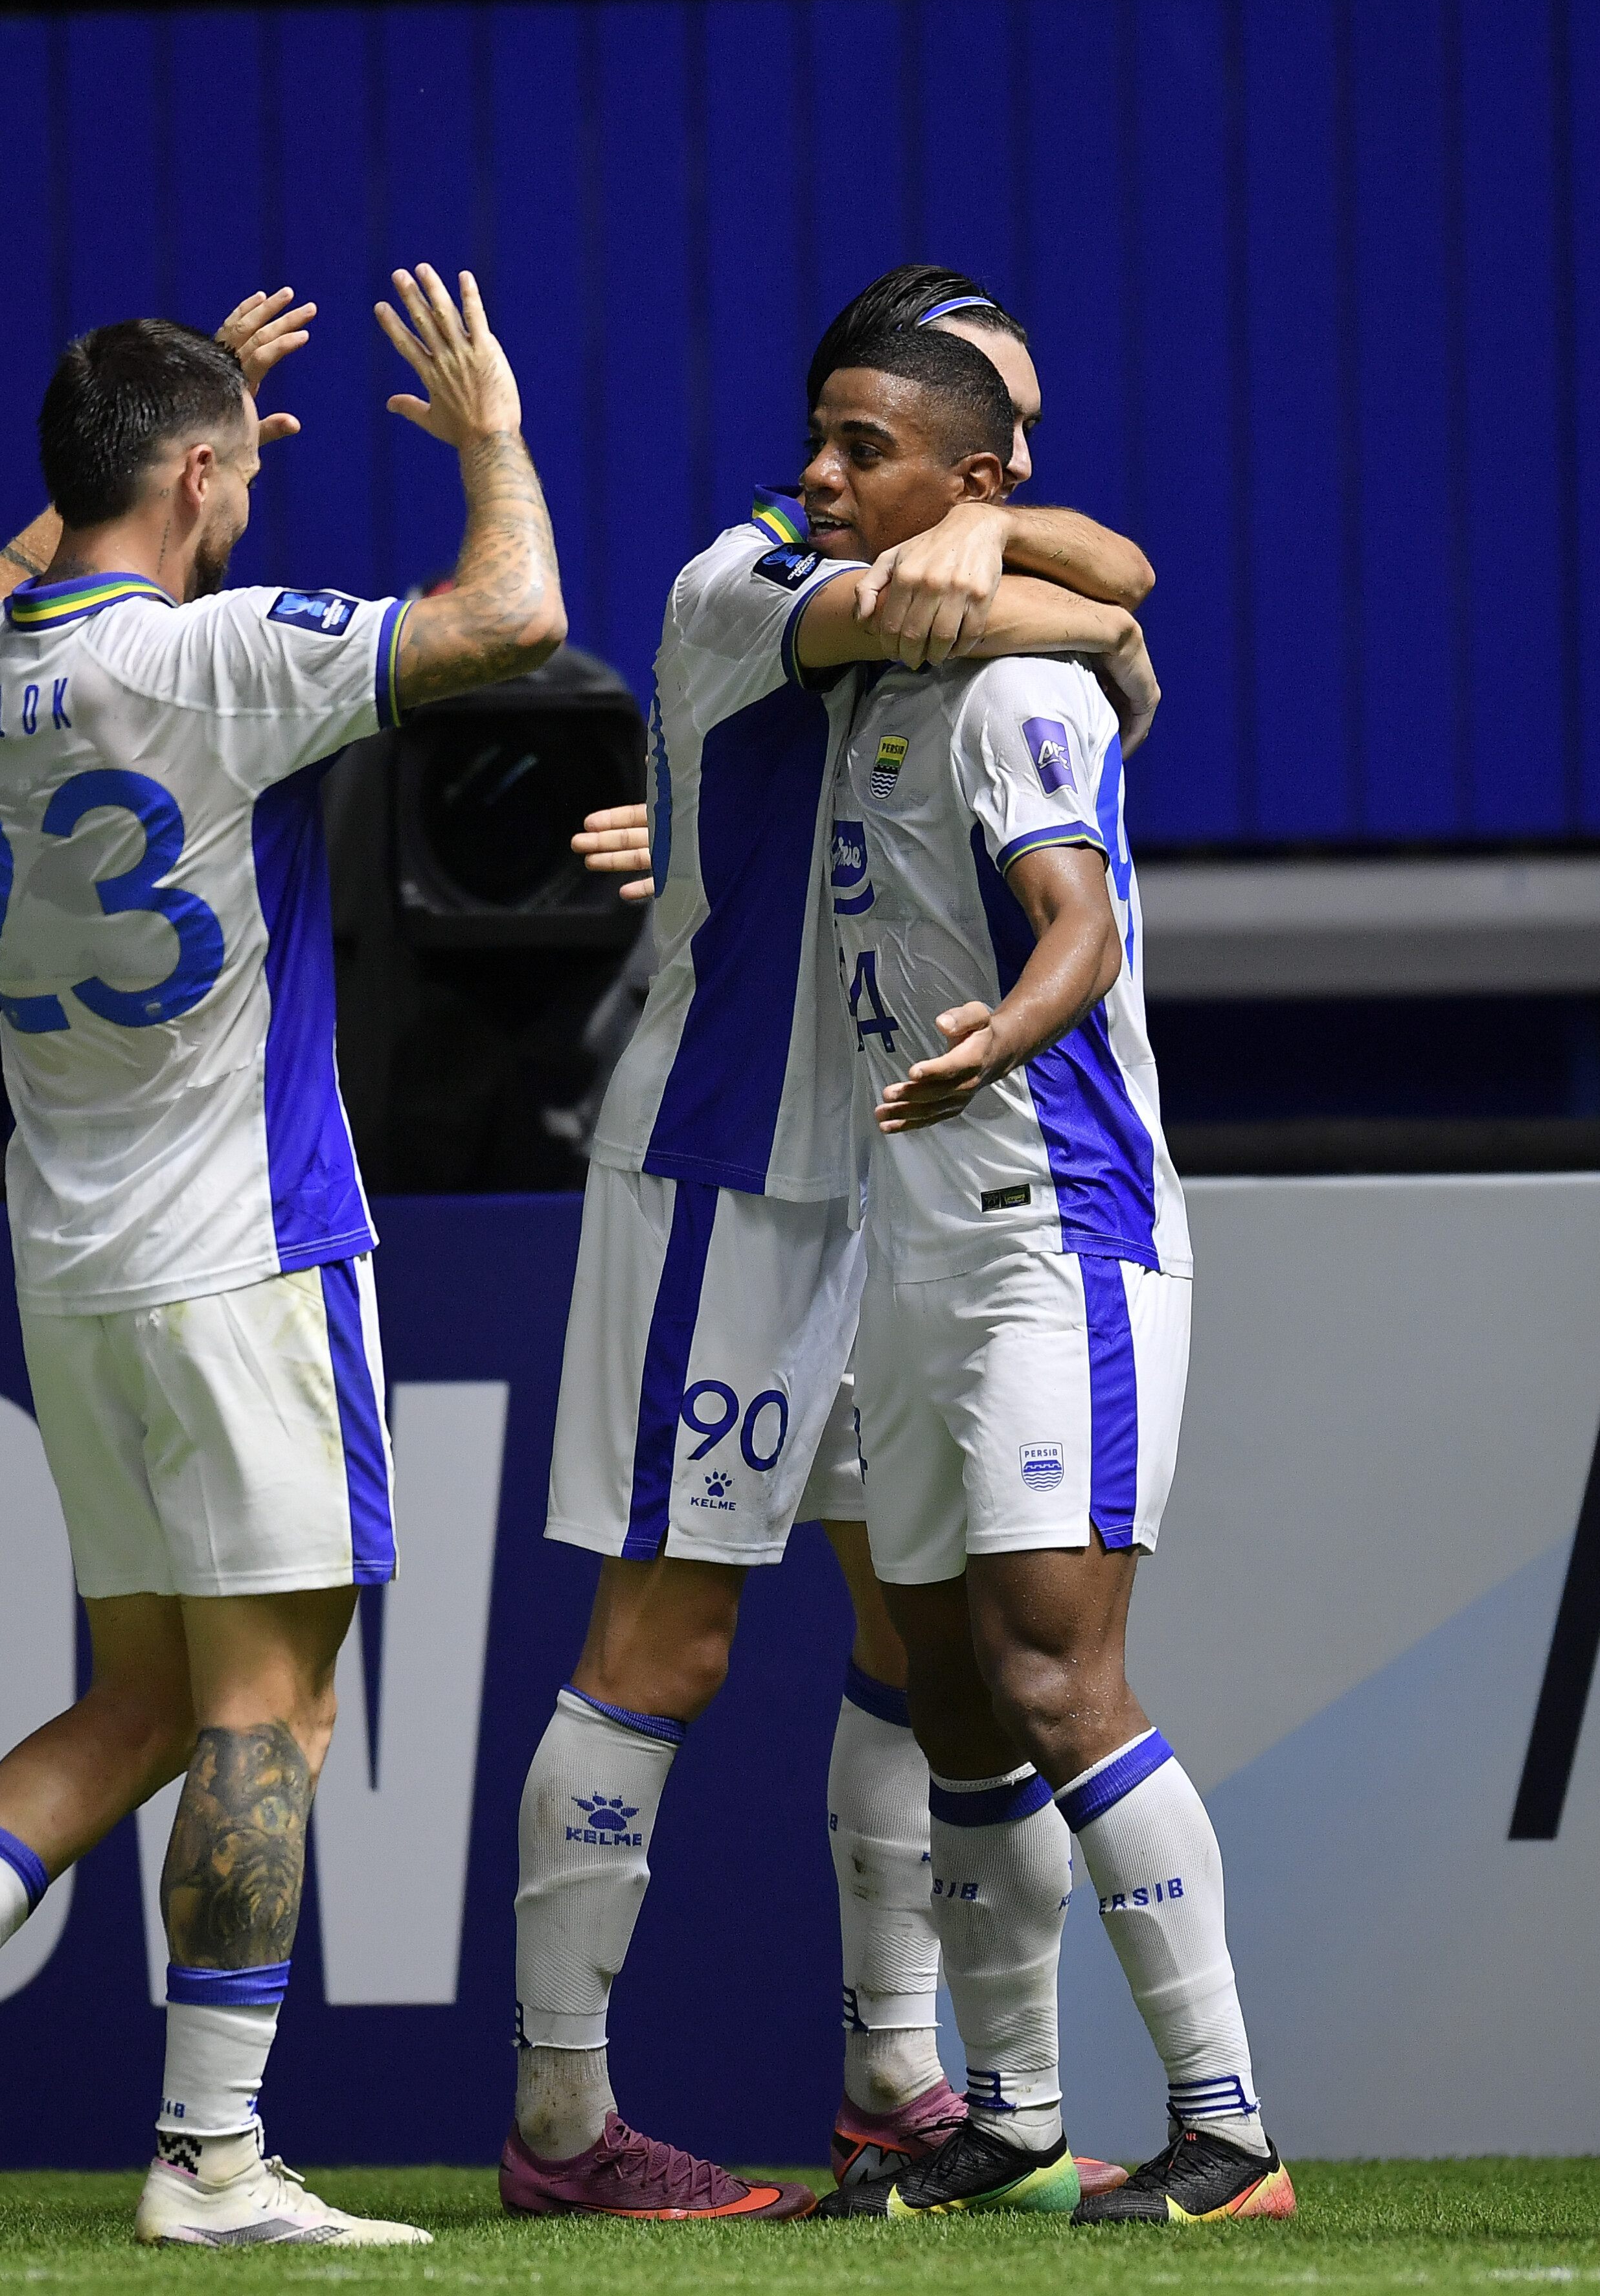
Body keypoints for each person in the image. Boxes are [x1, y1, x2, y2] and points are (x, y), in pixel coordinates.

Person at [0, 267, 566, 2249]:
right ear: (211, 478)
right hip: (245, 1248)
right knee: (270, 1719)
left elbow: (18, 582)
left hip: (71, 1258)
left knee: (139, 1702)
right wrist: (485, 429)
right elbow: (516, 621)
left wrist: (173, 456)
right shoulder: (225, 658)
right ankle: (211, 2162)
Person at [500, 268, 1165, 2221]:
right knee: (671, 1634)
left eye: (1011, 450)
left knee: (918, 1639)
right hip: (731, 1169)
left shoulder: (954, 585)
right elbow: (1094, 607)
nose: (1013, 476)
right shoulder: (739, 578)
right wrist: (1049, 588)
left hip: (900, 1175)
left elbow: (1095, 583)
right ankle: (560, 2127)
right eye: (848, 438)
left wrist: (1020, 550)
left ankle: (901, 2087)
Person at [804, 331, 1289, 2227]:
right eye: (819, 443)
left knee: (1056, 1675)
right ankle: (1009, 2115)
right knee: (950, 1695)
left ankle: (1230, 2124)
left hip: (1052, 1232)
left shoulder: (1018, 688)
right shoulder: (877, 677)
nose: (829, 477)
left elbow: (1079, 921)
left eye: (865, 449)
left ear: (971, 484)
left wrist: (997, 1038)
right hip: (914, 1241)